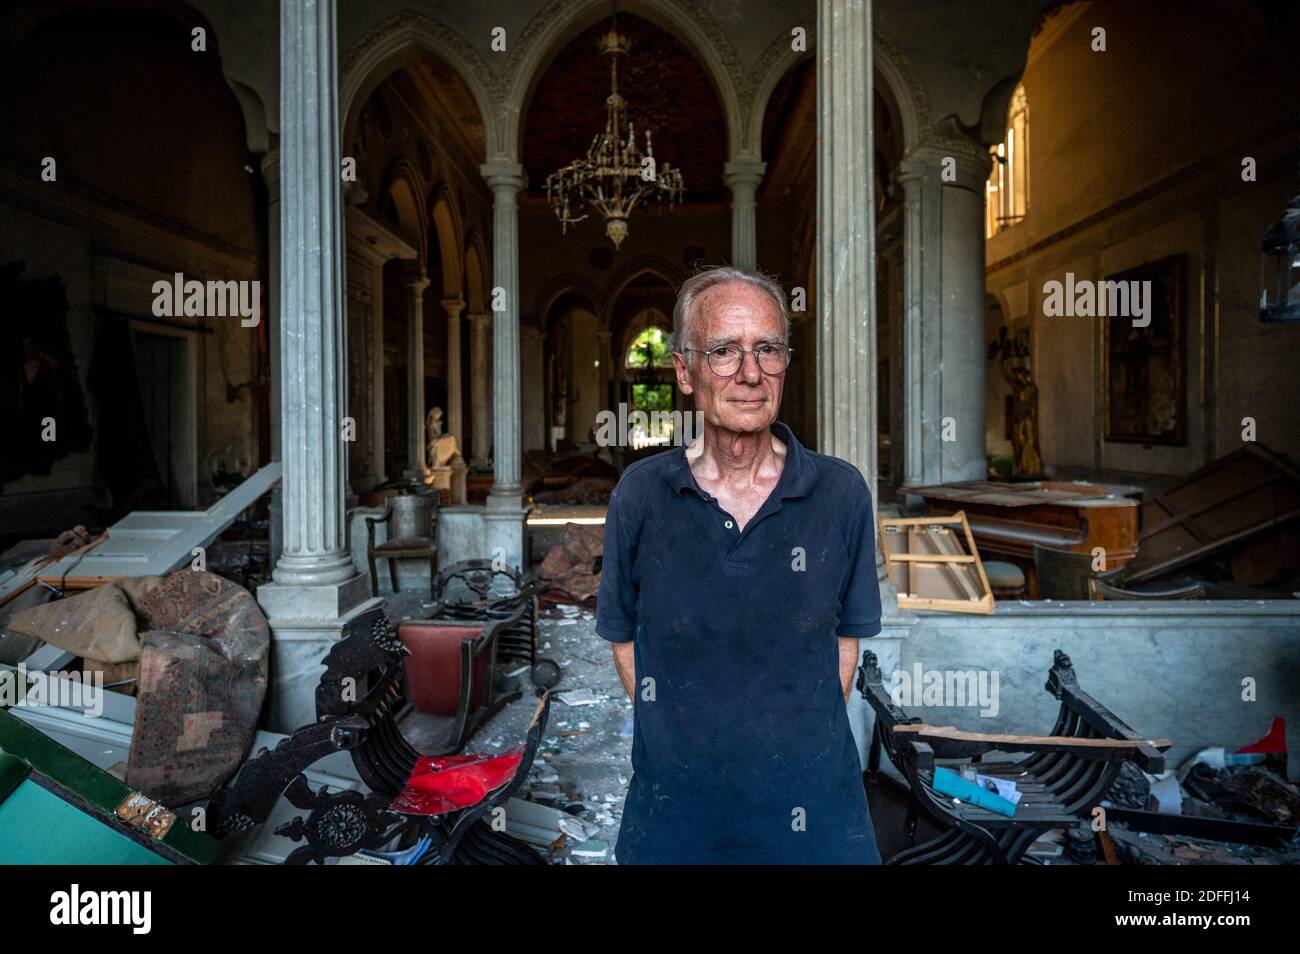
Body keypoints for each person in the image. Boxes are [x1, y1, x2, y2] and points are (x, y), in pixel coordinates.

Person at [596, 266, 883, 864]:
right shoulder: (641, 495)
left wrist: (786, 742)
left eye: (767, 351)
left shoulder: (840, 493)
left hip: (815, 812)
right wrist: (681, 739)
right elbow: (623, 637)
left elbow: (847, 641)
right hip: (675, 811)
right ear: (684, 371)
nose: (749, 374)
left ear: (784, 363)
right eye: (724, 351)